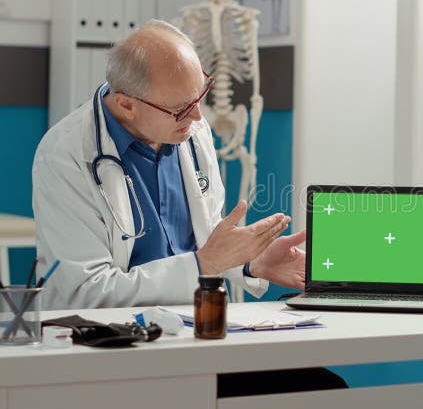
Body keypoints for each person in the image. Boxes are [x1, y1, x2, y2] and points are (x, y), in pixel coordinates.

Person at [32, 20, 305, 310]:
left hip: (191, 324)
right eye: (181, 109)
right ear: (126, 105)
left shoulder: (191, 132)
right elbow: (86, 292)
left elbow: (206, 241)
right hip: (105, 339)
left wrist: (252, 262)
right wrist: (206, 263)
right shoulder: (65, 155)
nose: (198, 117)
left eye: (200, 95)